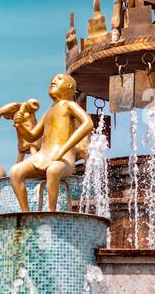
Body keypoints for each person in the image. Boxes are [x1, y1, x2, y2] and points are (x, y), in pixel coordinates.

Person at [8, 74, 93, 213]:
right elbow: (32, 136)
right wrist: (20, 126)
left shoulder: (70, 105)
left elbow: (88, 123)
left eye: (59, 79)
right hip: (42, 156)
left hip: (64, 158)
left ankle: (51, 212)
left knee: (53, 170)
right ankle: (25, 212)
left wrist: (64, 149)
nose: (53, 80)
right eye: (52, 79)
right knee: (15, 171)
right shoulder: (49, 111)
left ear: (70, 86)